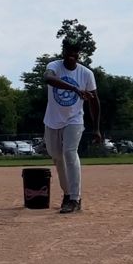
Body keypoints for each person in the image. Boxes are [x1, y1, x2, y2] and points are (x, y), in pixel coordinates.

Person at [42, 38, 101, 214]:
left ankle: (74, 198)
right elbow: (48, 79)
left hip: (74, 119)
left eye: (74, 54)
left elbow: (94, 101)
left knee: (69, 152)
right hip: (52, 120)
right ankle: (67, 193)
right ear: (63, 52)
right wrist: (75, 89)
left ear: (78, 54)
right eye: (68, 53)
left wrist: (96, 128)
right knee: (56, 156)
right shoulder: (54, 66)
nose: (71, 57)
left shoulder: (86, 74)